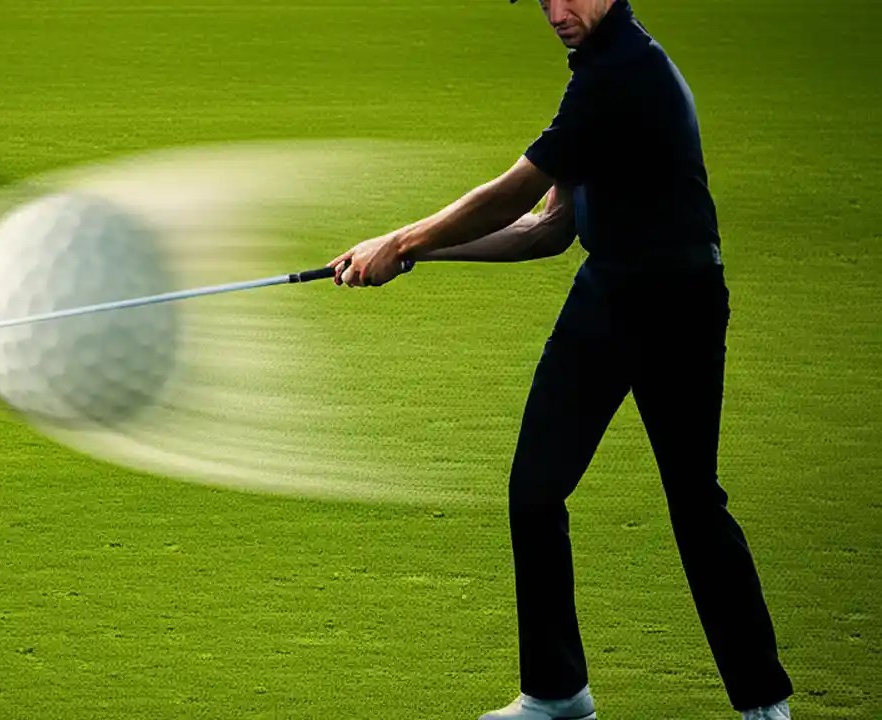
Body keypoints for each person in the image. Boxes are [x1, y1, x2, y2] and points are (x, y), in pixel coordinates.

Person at [327, 1, 795, 718]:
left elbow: (511, 192)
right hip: (607, 293)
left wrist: (402, 241)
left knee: (694, 502)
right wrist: (413, 255)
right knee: (535, 491)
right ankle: (557, 692)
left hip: (678, 303)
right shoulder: (594, 73)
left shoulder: (625, 73)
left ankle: (764, 703)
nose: (554, 10)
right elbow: (547, 229)